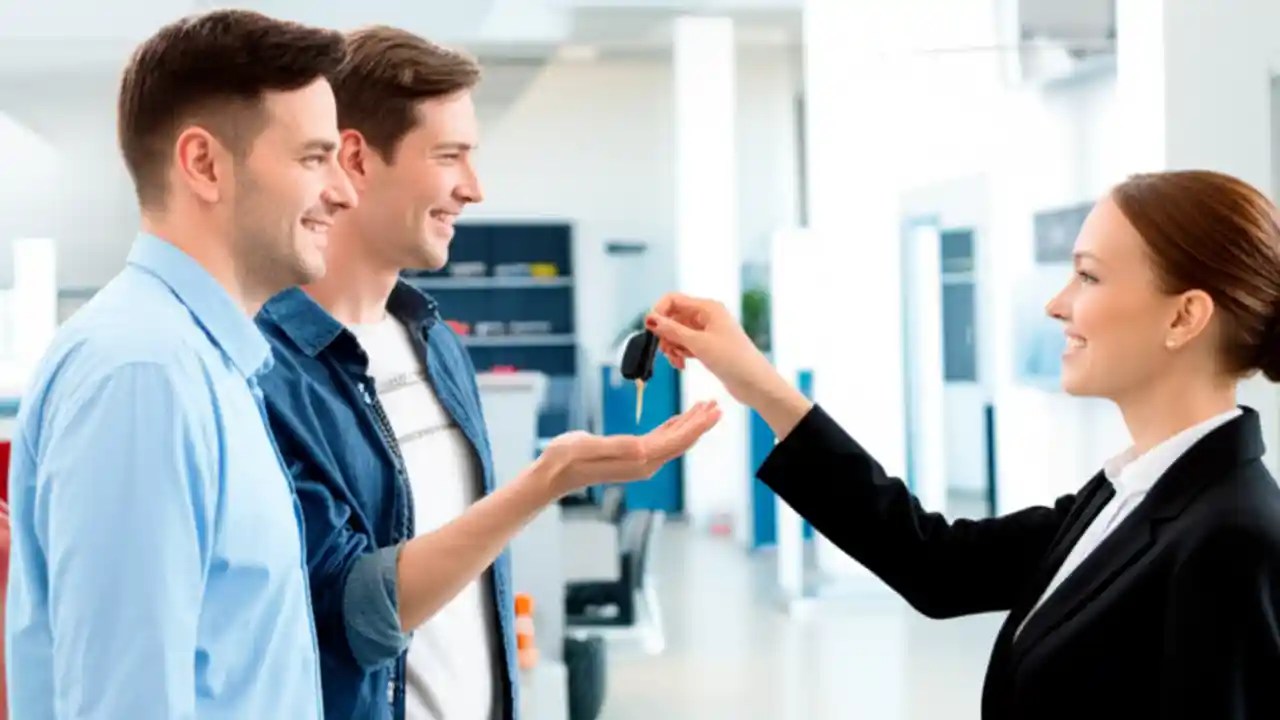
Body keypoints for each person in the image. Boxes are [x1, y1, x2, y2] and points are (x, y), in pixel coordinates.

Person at [645, 170, 1280, 719]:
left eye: (1088, 277)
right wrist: (754, 381)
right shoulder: (1132, 492)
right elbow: (936, 564)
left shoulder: (1231, 537)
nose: (1058, 304)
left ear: (1183, 317)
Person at [255, 25, 721, 720]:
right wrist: (546, 482)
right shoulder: (268, 369)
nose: (473, 189)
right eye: (450, 156)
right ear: (354, 158)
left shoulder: (435, 341)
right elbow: (355, 616)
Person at [4, 10, 356, 719]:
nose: (343, 192)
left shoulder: (209, 364)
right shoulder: (144, 374)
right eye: (314, 158)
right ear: (204, 164)